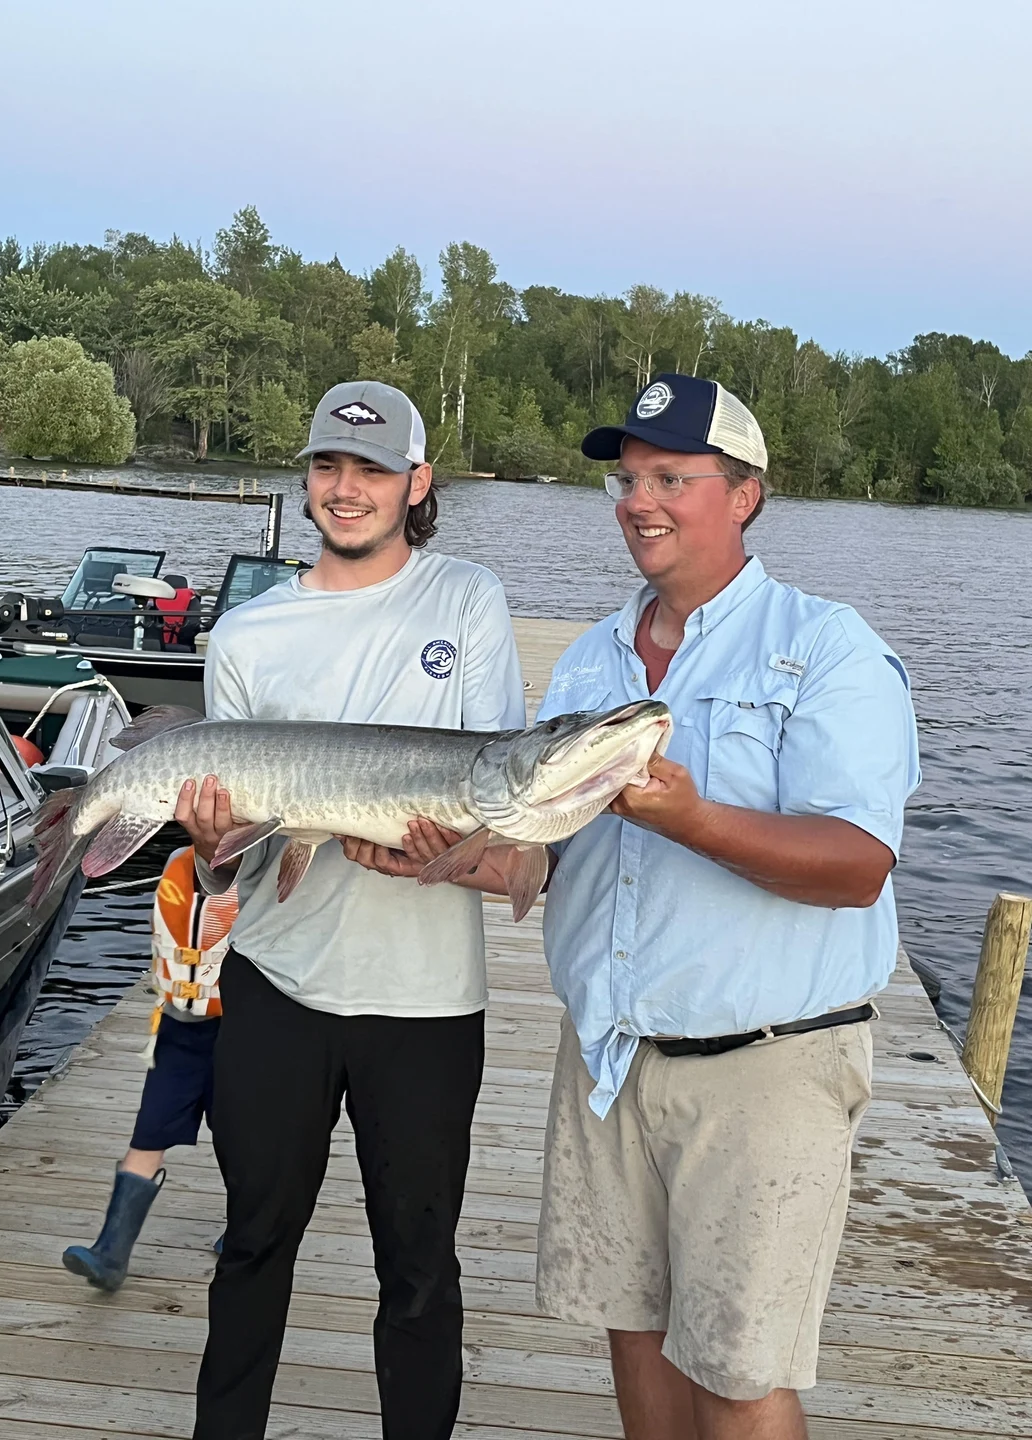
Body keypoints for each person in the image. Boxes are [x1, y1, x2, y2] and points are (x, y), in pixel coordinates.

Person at [354, 374, 920, 1440]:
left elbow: (857, 865)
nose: (638, 501)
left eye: (671, 477)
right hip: (612, 1059)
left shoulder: (827, 649)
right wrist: (437, 858)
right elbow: (556, 864)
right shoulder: (591, 659)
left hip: (765, 1066)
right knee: (636, 1333)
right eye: (627, 479)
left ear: (745, 494)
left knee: (740, 1368)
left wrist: (692, 819)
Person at [178, 380, 526, 1440]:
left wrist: (449, 856)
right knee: (251, 1243)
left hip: (424, 1007)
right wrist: (208, 843)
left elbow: (500, 803)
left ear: (417, 483)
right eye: (330, 466)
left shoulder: (467, 600)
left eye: (373, 470)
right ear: (308, 477)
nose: (347, 488)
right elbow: (227, 863)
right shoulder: (248, 634)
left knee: (417, 1267)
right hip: (278, 985)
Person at [61, 845, 238, 1291]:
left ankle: (247, 1231)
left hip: (244, 1031)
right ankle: (110, 1253)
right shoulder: (178, 862)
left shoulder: (262, 870)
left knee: (241, 1137)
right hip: (179, 1029)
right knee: (150, 1130)